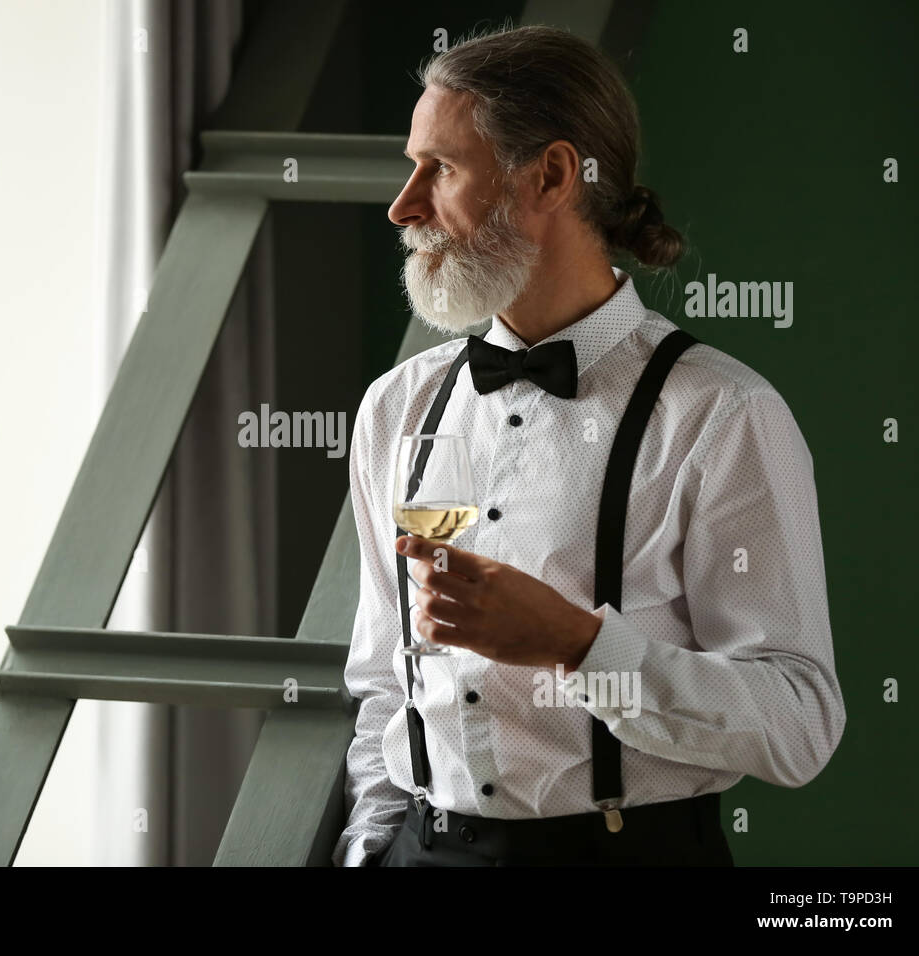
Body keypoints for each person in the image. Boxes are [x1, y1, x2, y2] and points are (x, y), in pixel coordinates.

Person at [332, 25, 845, 867]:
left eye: (442, 169)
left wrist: (578, 645)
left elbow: (799, 723)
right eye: (411, 165)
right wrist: (366, 848)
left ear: (554, 175)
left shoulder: (723, 414)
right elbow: (386, 679)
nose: (404, 205)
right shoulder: (398, 406)